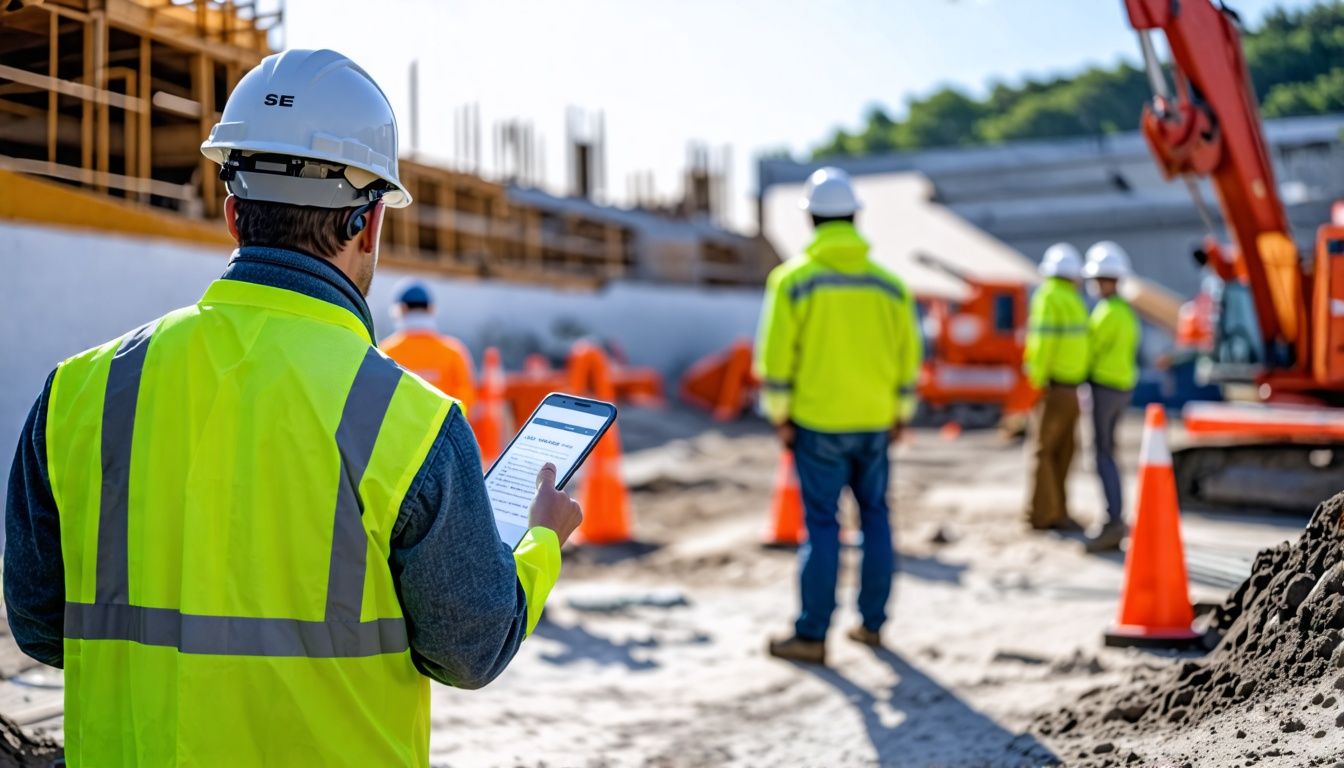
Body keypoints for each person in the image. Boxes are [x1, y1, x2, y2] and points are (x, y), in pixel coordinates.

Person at [3, 49, 581, 766]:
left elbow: (39, 624)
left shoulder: (77, 392)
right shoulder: (410, 422)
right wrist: (541, 542)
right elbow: (472, 647)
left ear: (232, 213)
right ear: (369, 225)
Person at [754, 167, 923, 665]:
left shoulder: (793, 281)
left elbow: (775, 358)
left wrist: (779, 414)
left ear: (811, 219)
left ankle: (812, 635)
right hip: (875, 422)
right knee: (876, 518)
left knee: (823, 526)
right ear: (854, 217)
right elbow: (909, 357)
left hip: (817, 423)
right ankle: (872, 624)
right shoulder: (890, 286)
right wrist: (901, 412)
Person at [1023, 243, 1090, 532]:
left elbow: (1041, 343)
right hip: (1074, 389)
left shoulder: (1048, 296)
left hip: (1053, 387)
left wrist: (1036, 380)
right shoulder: (1075, 300)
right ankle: (1059, 512)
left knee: (1043, 452)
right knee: (1063, 452)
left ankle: (1041, 515)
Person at [1082, 242, 1141, 553]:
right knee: (1110, 453)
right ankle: (1116, 518)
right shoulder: (1126, 313)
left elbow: (1088, 351)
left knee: (1102, 454)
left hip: (1104, 388)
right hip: (1122, 388)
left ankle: (1113, 521)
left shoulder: (1105, 313)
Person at [382, 279, 478, 414]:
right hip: (445, 427)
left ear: (400, 310)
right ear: (431, 309)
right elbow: (467, 400)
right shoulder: (454, 352)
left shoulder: (385, 352)